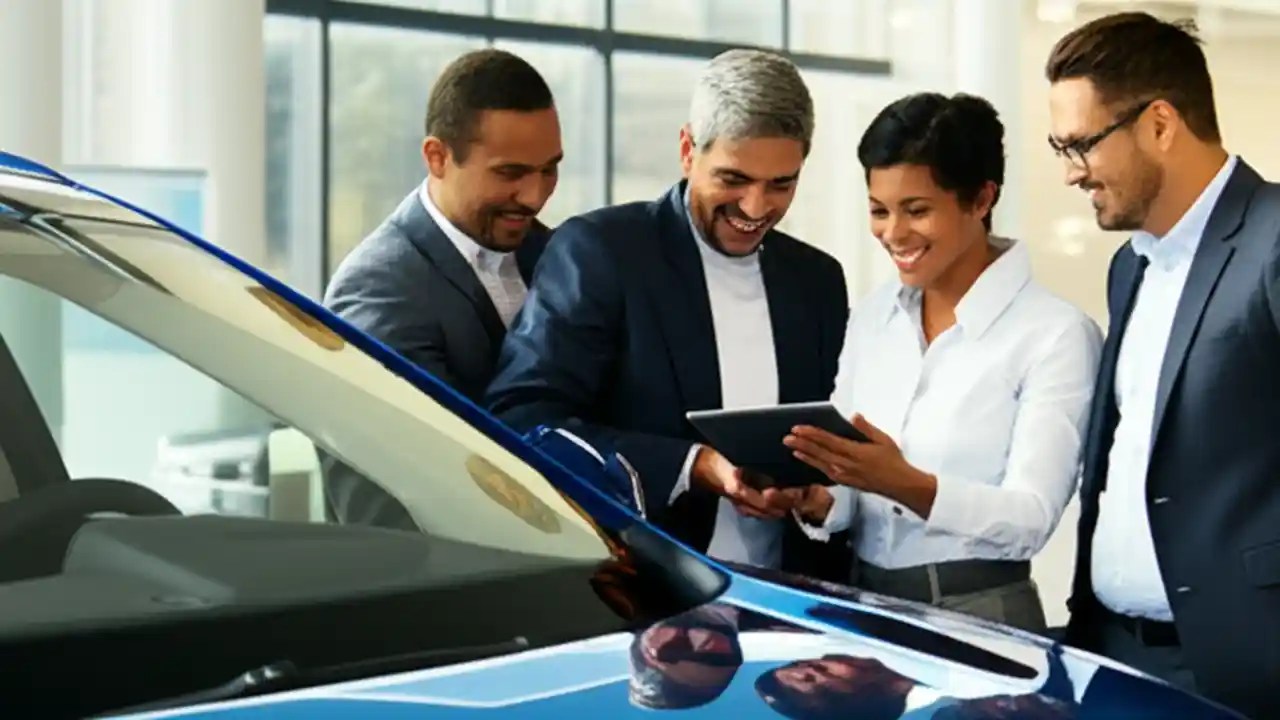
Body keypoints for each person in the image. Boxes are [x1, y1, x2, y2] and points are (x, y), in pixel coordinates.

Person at [484, 49, 852, 582]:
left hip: (794, 599)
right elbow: (521, 418)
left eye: (781, 184)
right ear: (687, 150)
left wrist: (820, 494)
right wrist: (692, 467)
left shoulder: (817, 281)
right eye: (734, 179)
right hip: (647, 587)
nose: (755, 208)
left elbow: (840, 438)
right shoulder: (603, 252)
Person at [779, 92, 1102, 632]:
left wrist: (906, 482)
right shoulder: (875, 314)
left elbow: (1032, 517)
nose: (893, 234)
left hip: (980, 614)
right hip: (861, 604)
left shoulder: (1056, 334)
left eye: (917, 210)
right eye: (879, 211)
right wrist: (817, 497)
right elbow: (847, 483)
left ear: (980, 199)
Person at [1042, 13, 1280, 718]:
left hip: (1244, 671)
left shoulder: (1271, 242)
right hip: (1114, 656)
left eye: (1080, 144)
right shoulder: (1130, 267)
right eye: (1059, 148)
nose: (1067, 173)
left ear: (1160, 124)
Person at [321, 48, 561, 528]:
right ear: (437, 157)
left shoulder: (558, 254)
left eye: (549, 169)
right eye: (510, 173)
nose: (535, 197)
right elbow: (394, 504)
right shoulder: (377, 289)